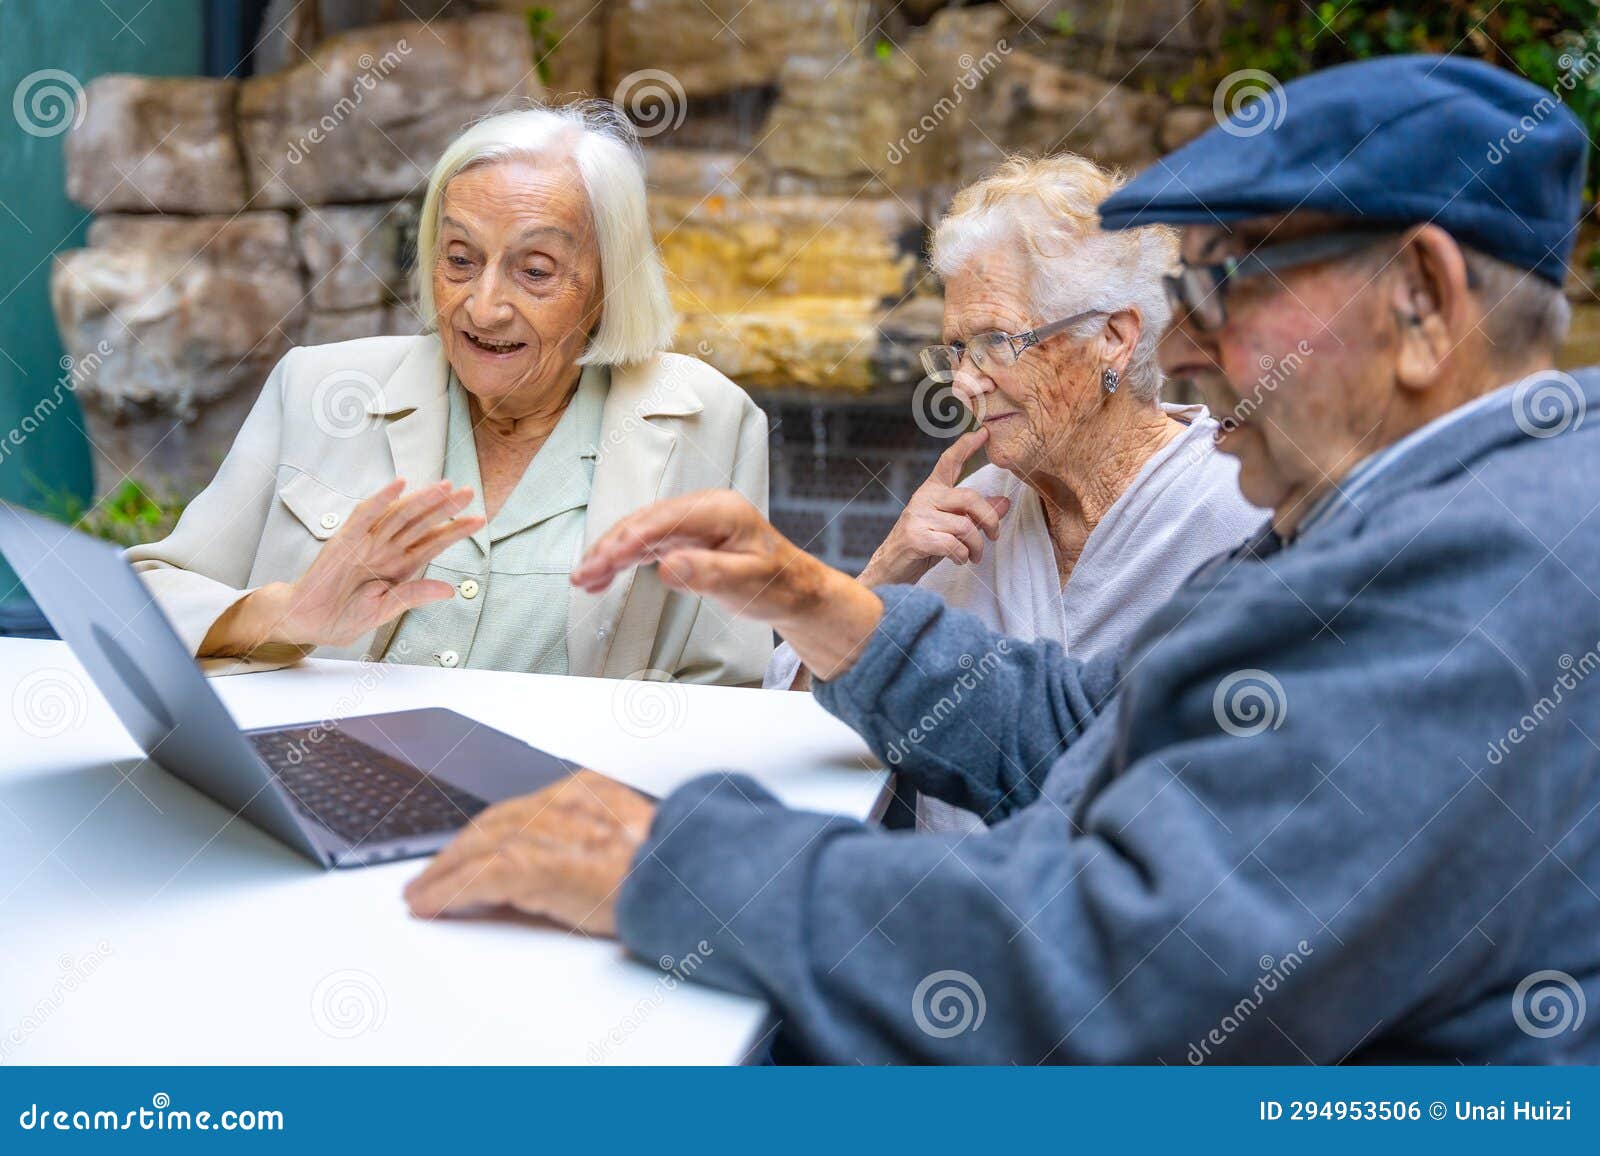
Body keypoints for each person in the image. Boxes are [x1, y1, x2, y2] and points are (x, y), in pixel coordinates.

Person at [405, 56, 1599, 1064]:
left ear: (1423, 302)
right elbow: (1089, 722)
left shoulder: (1478, 578)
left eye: (1222, 282)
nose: (1178, 351)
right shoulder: (1404, 515)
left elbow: (1110, 967)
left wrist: (670, 858)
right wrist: (823, 598)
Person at [127, 102, 772, 685]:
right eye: (460, 259)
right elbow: (141, 601)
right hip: (321, 784)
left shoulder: (704, 421)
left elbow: (726, 696)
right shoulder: (317, 389)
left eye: (535, 271)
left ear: (609, 283)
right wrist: (287, 614)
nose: (483, 307)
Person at [765, 155, 1262, 835]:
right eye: (955, 350)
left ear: (1113, 338)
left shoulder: (1236, 511)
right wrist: (889, 567)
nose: (963, 383)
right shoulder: (982, 502)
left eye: (997, 341)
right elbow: (785, 728)